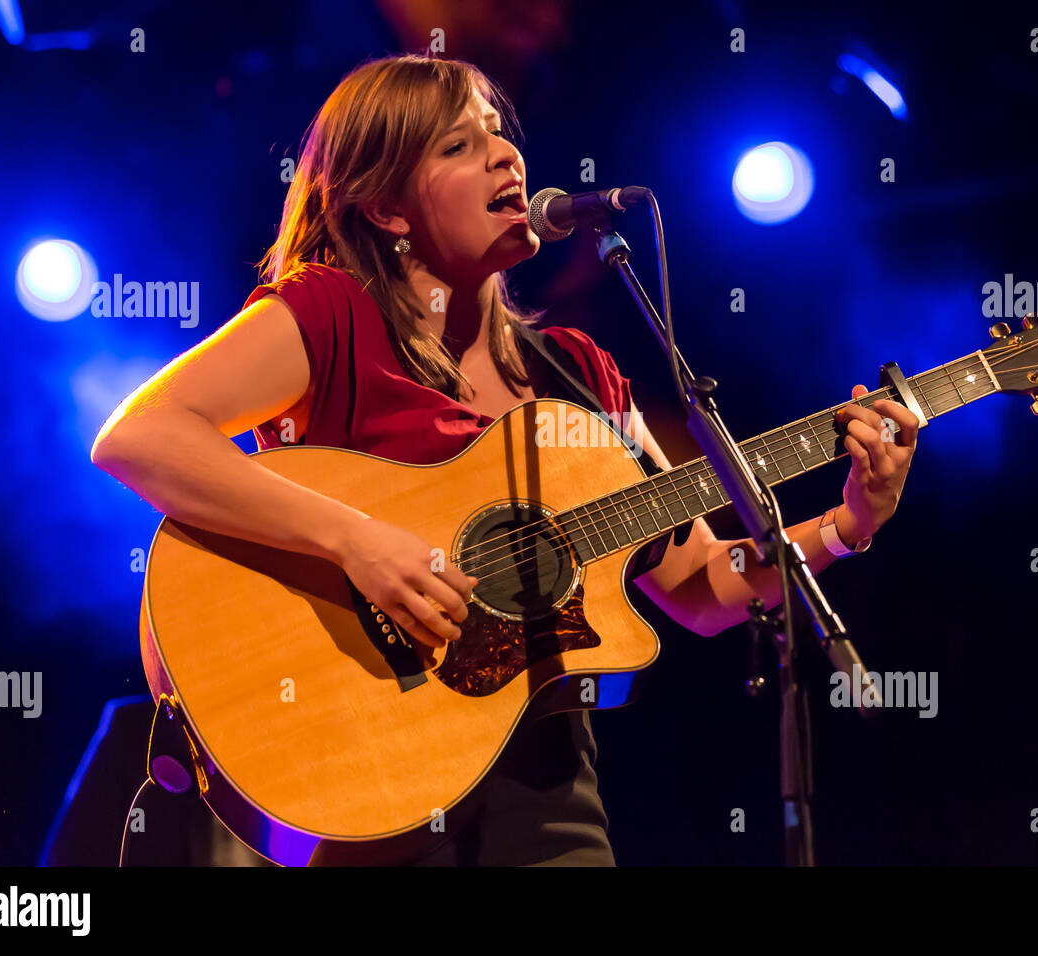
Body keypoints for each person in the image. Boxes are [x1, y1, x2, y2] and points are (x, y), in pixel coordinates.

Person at [90, 53, 919, 866]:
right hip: (362, 764)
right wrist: (357, 541)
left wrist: (850, 523)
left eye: (499, 132)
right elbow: (140, 437)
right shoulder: (330, 314)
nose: (505, 155)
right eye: (458, 145)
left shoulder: (579, 373)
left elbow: (702, 586)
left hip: (548, 787)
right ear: (386, 208)